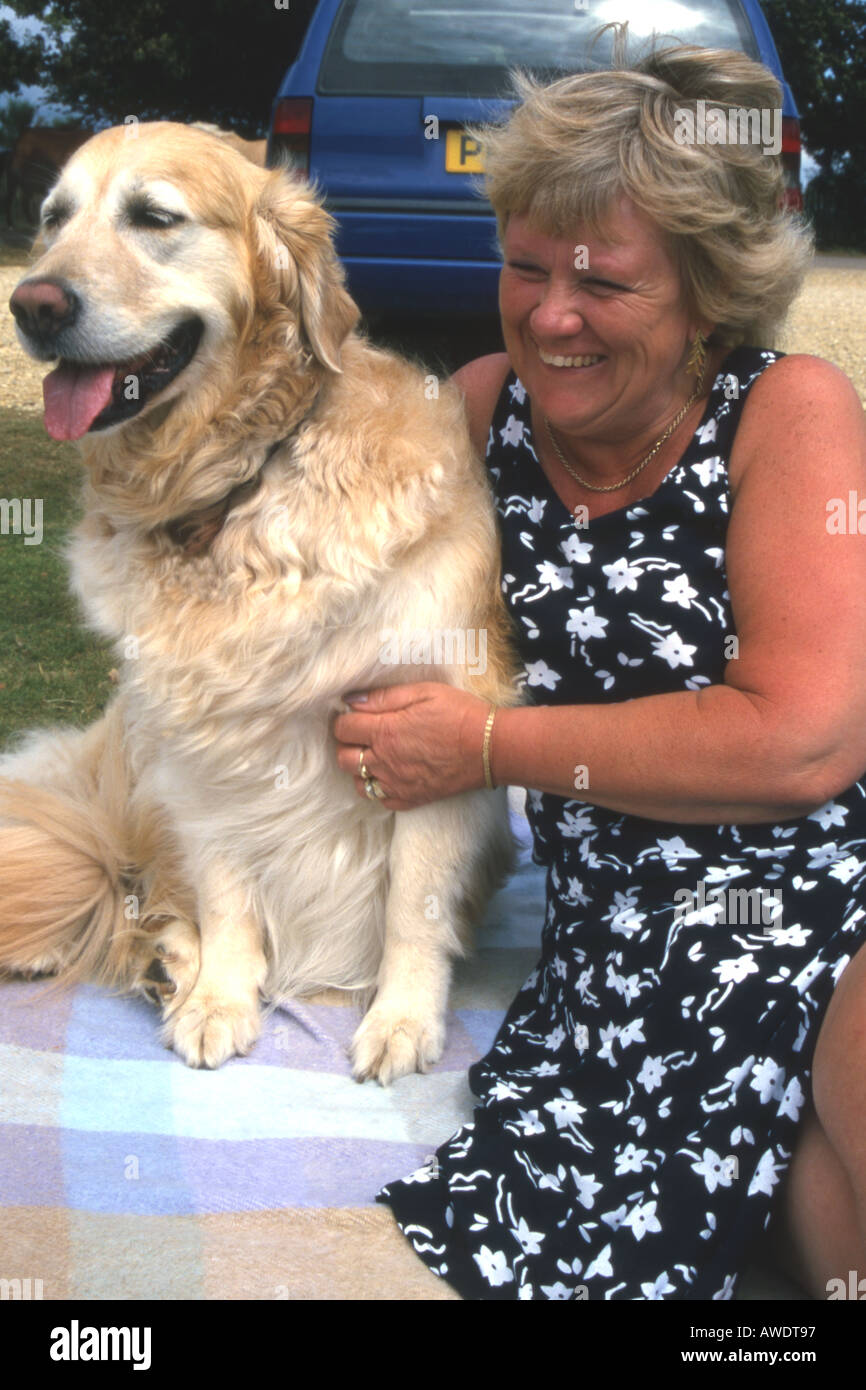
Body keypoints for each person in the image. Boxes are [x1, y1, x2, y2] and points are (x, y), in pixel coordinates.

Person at [333, 37, 866, 1300]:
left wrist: (478, 746)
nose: (549, 316)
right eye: (522, 269)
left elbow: (799, 742)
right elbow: (320, 575)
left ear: (707, 289)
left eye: (603, 285)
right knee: (813, 1201)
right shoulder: (475, 410)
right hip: (635, 934)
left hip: (828, 883)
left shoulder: (784, 409)